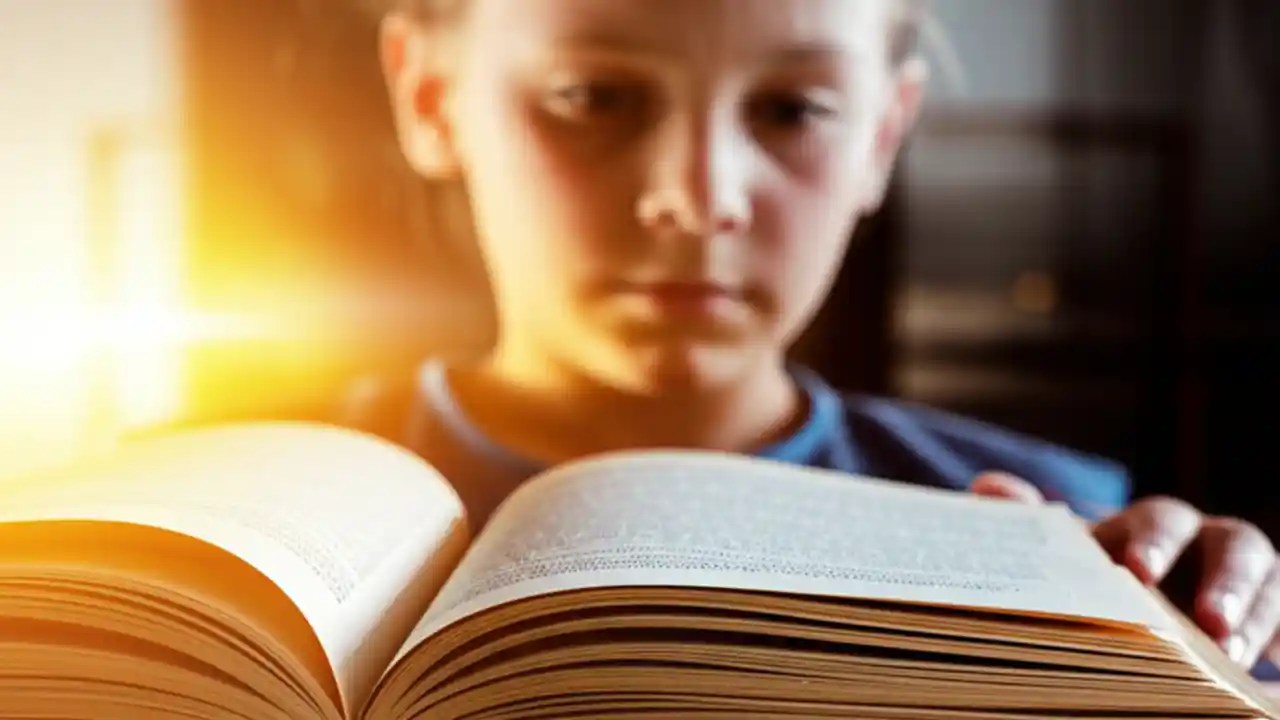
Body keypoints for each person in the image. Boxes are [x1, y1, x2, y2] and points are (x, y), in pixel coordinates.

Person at [350, 0, 1279, 674]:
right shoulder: (236, 506)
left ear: (883, 136)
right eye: (594, 96)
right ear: (431, 98)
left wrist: (1220, 644)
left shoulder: (1065, 539)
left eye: (793, 110)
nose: (700, 198)